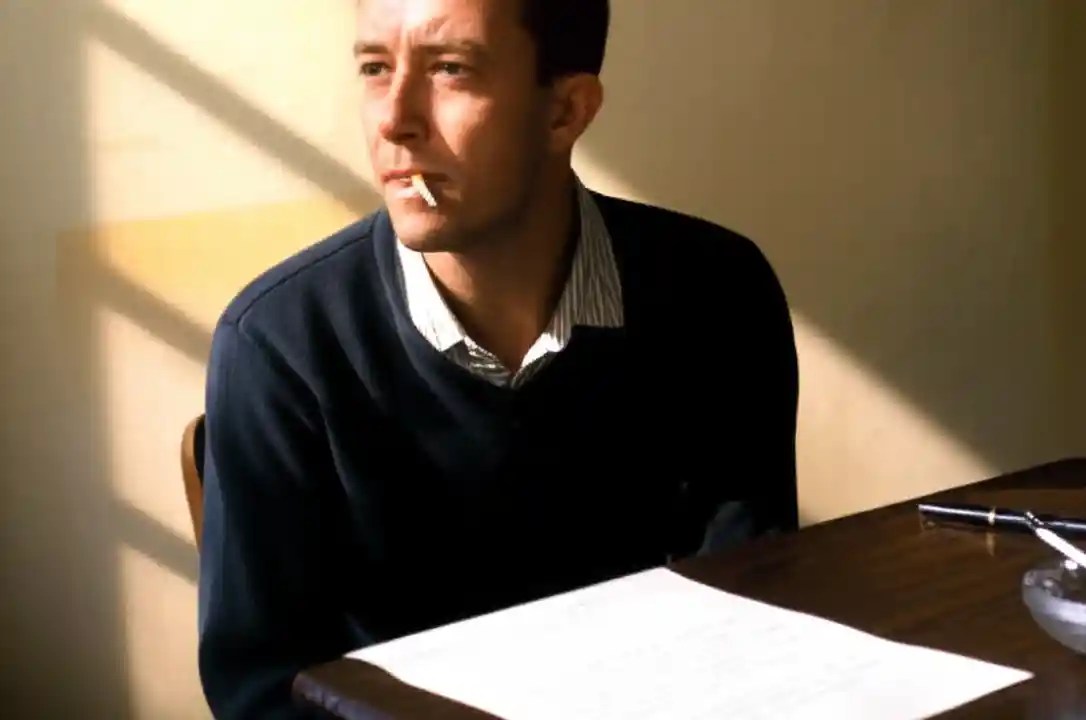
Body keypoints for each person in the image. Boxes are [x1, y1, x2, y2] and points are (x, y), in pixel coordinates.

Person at [196, 0, 799, 717]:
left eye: (450, 69)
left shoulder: (716, 293)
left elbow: (749, 603)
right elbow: (263, 691)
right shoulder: (279, 344)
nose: (393, 121)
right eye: (374, 68)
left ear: (565, 112)